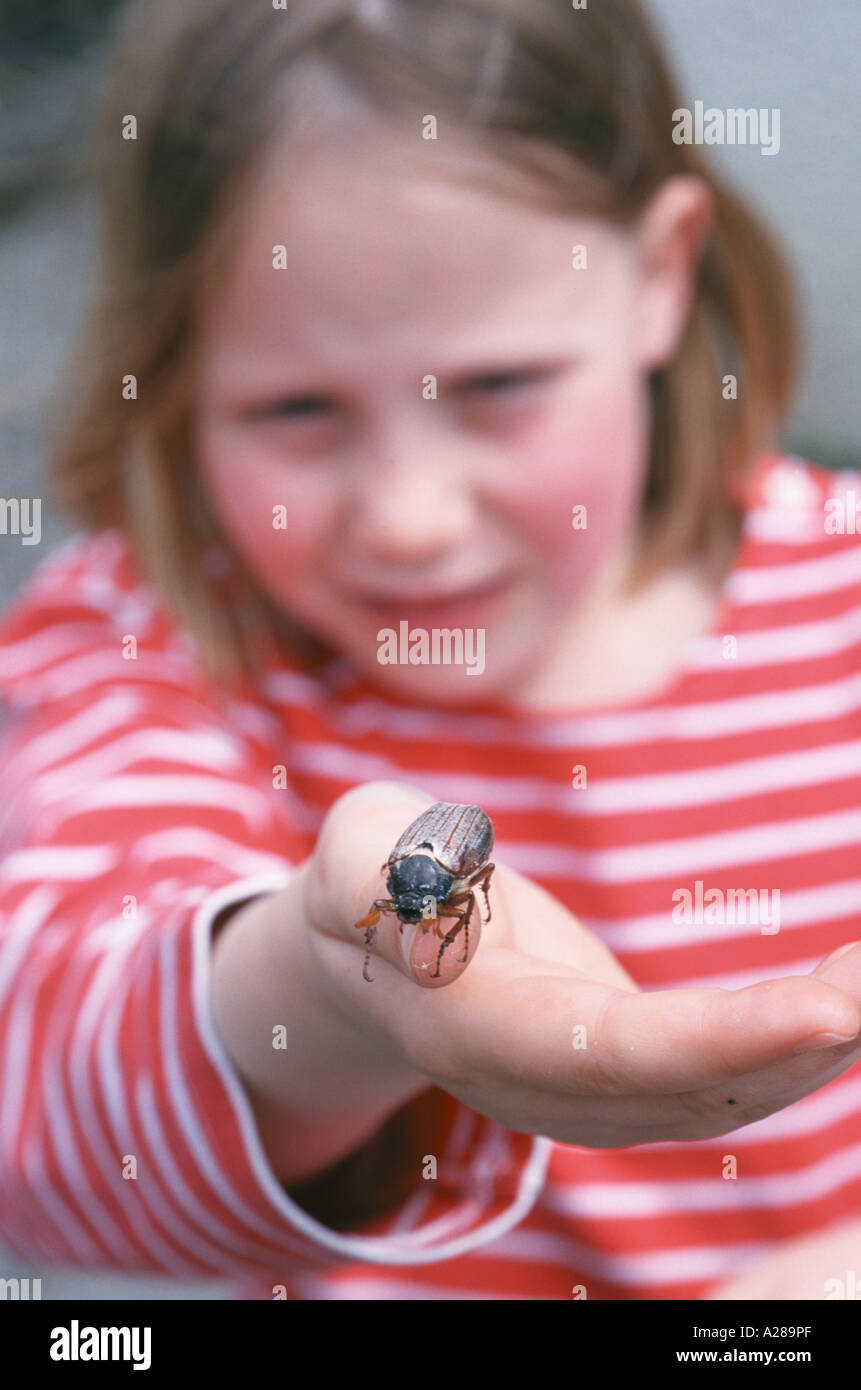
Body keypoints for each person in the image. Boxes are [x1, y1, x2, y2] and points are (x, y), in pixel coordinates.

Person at [1, 0, 859, 1301]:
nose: (409, 519)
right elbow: (45, 1117)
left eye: (498, 386)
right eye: (294, 410)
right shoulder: (142, 643)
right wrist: (330, 977)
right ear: (171, 367)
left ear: (659, 273)